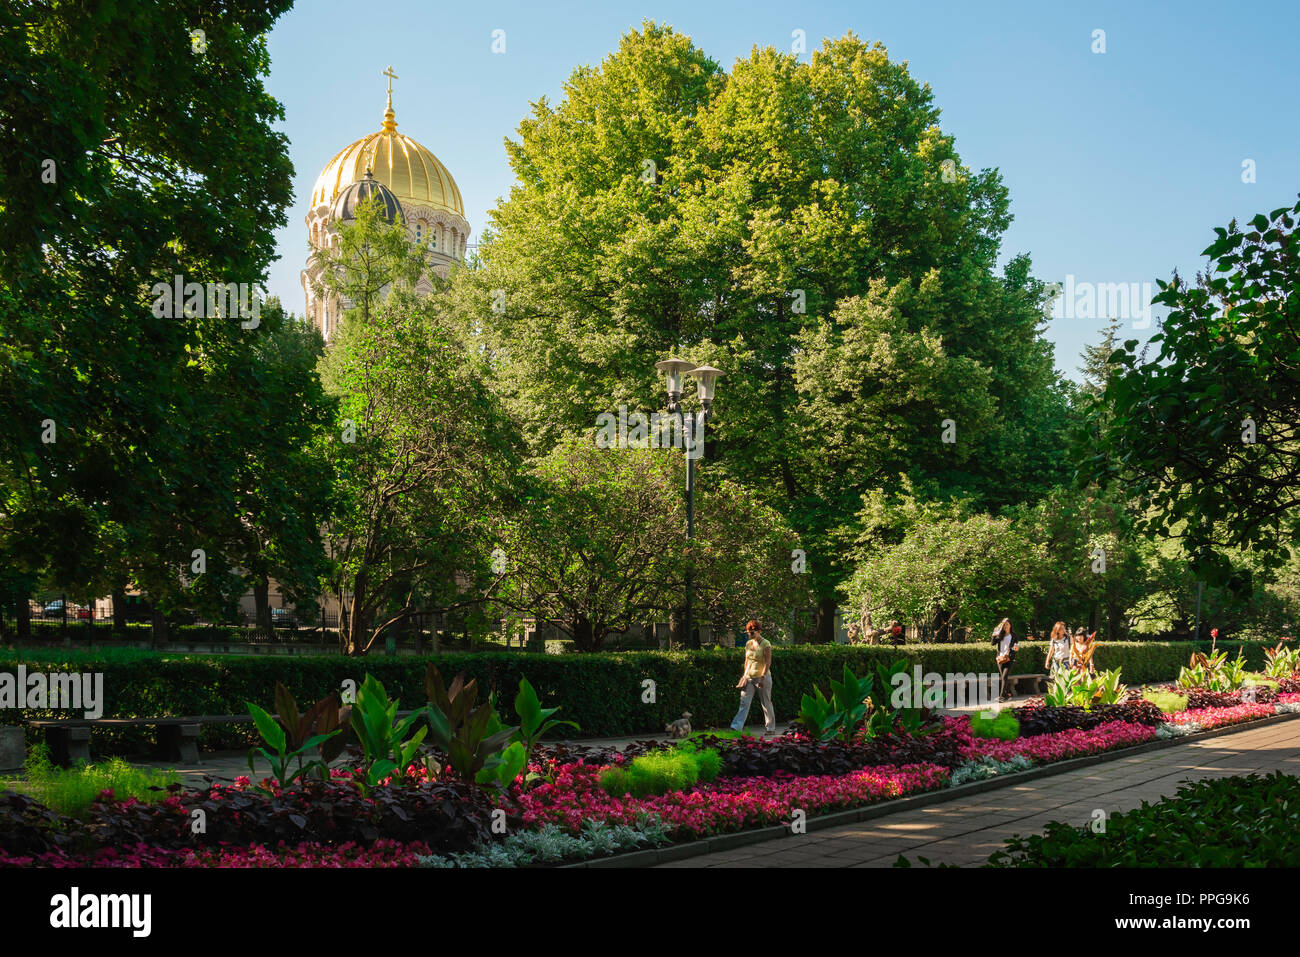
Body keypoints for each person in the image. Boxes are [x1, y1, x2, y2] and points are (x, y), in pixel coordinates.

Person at [730, 620, 775, 735]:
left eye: (752, 632)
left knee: (766, 703)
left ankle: (770, 728)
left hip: (762, 677)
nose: (750, 634)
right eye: (748, 632)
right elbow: (747, 660)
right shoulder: (748, 644)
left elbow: (768, 662)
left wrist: (763, 677)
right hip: (749, 677)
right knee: (744, 702)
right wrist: (744, 675)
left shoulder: (766, 644)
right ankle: (736, 727)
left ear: (759, 631)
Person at [991, 618, 1018, 701]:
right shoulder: (1000, 635)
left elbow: (1016, 645)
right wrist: (993, 635)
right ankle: (1007, 695)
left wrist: (1016, 649)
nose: (1005, 626)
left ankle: (1001, 696)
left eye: (1007, 624)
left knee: (1004, 677)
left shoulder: (1014, 635)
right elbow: (992, 643)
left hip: (1009, 659)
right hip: (1000, 659)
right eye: (1004, 624)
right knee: (1003, 677)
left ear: (1010, 625)